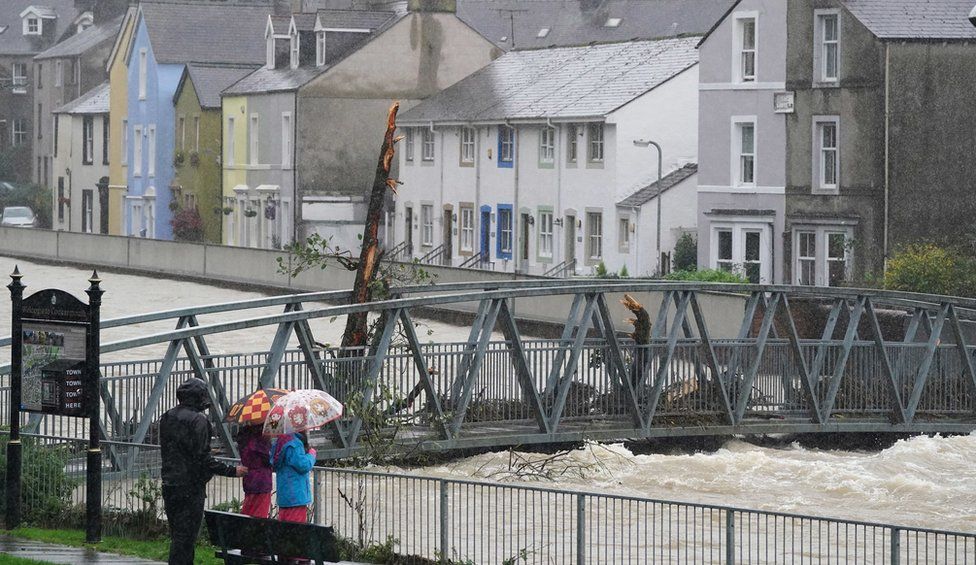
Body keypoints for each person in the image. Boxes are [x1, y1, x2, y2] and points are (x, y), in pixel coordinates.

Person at [160, 378, 247, 565]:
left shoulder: (167, 417)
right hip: (190, 487)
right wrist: (232, 471)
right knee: (186, 537)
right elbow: (203, 460)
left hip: (170, 483)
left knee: (178, 534)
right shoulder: (199, 421)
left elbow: (174, 451)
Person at [270, 431, 316, 523]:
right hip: (296, 495)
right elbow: (303, 465)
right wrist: (311, 454)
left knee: (285, 530)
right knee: (296, 531)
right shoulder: (295, 444)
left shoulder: (280, 441)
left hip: (284, 496)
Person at [237, 423, 273, 518]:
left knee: (248, 514)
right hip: (262, 482)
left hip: (249, 479)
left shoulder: (245, 439)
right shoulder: (259, 441)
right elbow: (270, 460)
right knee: (260, 516)